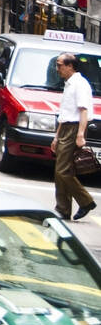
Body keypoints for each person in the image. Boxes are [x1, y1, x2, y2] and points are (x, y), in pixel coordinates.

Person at [50, 53, 97, 222]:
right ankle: (62, 209)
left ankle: (86, 201)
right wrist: (56, 137)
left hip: (74, 128)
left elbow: (83, 110)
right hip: (66, 127)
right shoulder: (69, 84)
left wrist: (80, 134)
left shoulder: (80, 84)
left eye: (60, 65)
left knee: (63, 171)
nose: (57, 69)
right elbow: (65, 112)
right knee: (60, 171)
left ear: (70, 66)